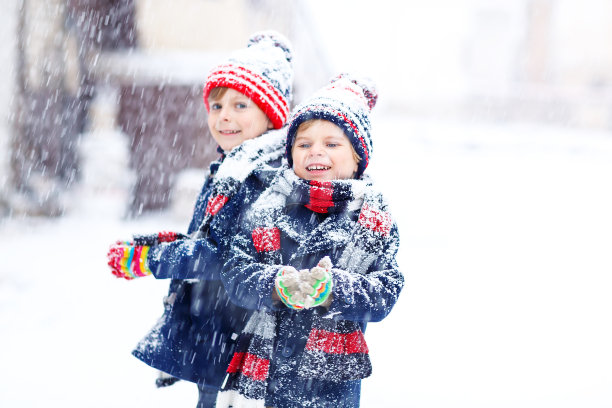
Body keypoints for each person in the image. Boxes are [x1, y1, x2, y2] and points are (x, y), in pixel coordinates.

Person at [106, 30, 294, 407]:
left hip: (241, 340)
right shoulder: (233, 167)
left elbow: (218, 257)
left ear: (271, 114)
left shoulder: (262, 177)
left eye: (241, 106)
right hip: (217, 332)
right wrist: (163, 243)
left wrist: (147, 260)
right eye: (216, 106)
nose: (225, 116)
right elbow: (208, 236)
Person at [215, 74, 404, 408]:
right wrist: (274, 286)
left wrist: (336, 290)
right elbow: (235, 272)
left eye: (332, 144)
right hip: (266, 374)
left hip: (330, 385)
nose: (316, 151)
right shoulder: (267, 209)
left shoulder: (373, 220)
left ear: (358, 157)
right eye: (304, 144)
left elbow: (386, 289)